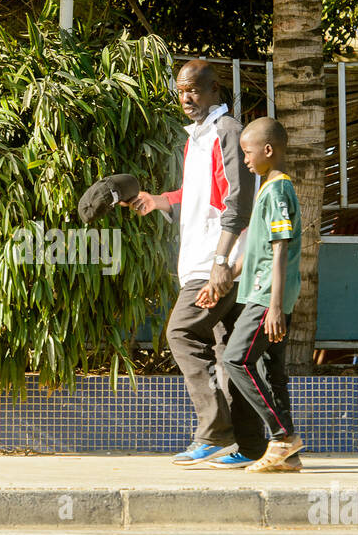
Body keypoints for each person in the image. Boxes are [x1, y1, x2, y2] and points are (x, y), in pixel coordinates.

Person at [124, 59, 267, 468]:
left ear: (215, 89)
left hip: (219, 261)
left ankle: (214, 429)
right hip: (211, 258)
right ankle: (250, 445)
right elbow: (202, 193)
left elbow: (238, 203)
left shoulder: (228, 132)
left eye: (195, 90)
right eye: (182, 90)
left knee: (182, 333)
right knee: (227, 350)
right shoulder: (200, 136)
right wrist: (160, 200)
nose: (187, 97)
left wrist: (222, 262)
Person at [206, 116, 305, 472]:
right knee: (271, 369)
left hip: (267, 298)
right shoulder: (267, 188)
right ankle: (289, 456)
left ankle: (281, 437)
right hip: (262, 295)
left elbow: (280, 248)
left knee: (235, 359)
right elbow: (255, 249)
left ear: (268, 150)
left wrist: (275, 305)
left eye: (248, 152)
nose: (245, 159)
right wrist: (226, 279)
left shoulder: (278, 189)